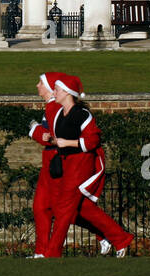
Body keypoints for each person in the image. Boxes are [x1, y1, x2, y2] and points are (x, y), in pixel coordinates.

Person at [40, 75, 134, 259]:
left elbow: (93, 140)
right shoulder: (60, 113)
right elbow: (61, 139)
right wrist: (51, 139)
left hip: (80, 165)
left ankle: (52, 254)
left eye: (57, 90)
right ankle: (120, 238)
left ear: (67, 93)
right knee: (82, 209)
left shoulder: (82, 114)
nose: (54, 93)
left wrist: (67, 143)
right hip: (66, 164)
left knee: (63, 210)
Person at [28, 72, 106, 257]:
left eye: (41, 82)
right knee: (45, 208)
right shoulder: (53, 107)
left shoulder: (57, 108)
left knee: (62, 209)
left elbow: (58, 137)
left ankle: (105, 235)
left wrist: (35, 131)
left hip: (60, 162)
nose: (37, 86)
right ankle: (44, 251)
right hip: (53, 161)